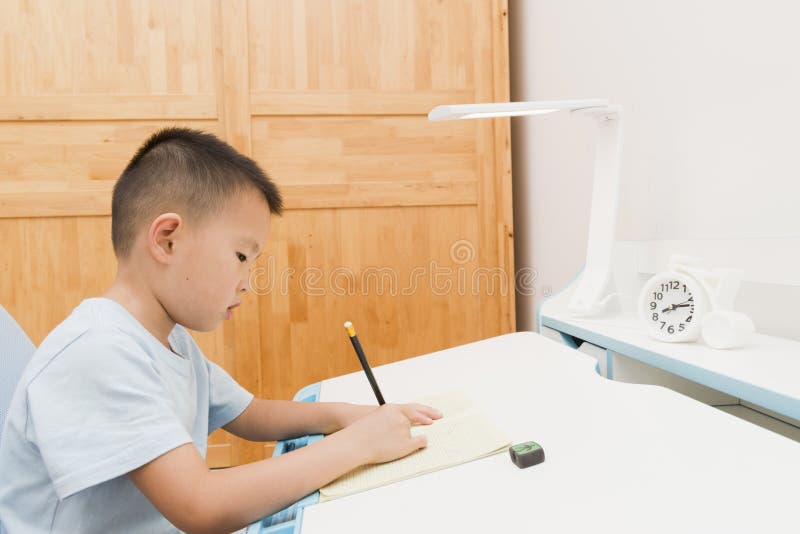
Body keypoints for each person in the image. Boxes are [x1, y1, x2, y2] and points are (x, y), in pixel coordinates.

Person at [0, 128, 442, 534]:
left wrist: (347, 417)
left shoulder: (165, 339)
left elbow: (249, 415)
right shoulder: (99, 351)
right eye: (241, 255)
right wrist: (357, 446)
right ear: (168, 239)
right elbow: (201, 506)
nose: (248, 280)